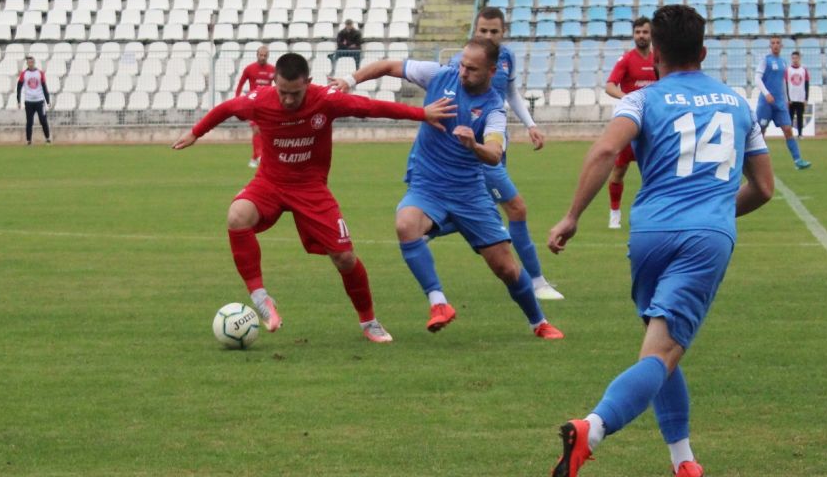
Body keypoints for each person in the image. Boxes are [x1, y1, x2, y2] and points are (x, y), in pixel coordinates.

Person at [546, 5, 775, 477]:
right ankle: (594, 428)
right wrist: (715, 212)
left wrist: (571, 217)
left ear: (657, 54)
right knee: (665, 350)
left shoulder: (642, 99)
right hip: (705, 237)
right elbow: (763, 188)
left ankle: (683, 458)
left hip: (648, 235)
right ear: (704, 51)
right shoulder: (739, 103)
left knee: (660, 347)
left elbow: (606, 151)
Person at [171, 53, 456, 344]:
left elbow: (371, 107)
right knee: (236, 216)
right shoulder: (260, 101)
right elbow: (227, 107)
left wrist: (422, 114)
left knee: (344, 258)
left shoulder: (326, 100)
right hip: (269, 183)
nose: (288, 100)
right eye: (282, 92)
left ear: (307, 83)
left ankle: (369, 322)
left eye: (295, 93)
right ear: (274, 83)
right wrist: (196, 133)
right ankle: (261, 298)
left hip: (311, 189)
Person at [335, 38, 564, 339]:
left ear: (492, 71)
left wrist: (474, 145)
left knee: (506, 269)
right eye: (462, 65)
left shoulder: (494, 109)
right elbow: (388, 65)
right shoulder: (440, 74)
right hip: (427, 186)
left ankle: (539, 322)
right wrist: (350, 80)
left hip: (469, 194)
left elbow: (495, 154)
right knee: (405, 224)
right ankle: (439, 303)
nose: (463, 72)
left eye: (472, 68)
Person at [431, 7, 563, 300]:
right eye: (483, 31)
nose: (488, 36)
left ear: (503, 33)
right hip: (475, 151)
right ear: (474, 31)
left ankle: (426, 226)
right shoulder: (461, 63)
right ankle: (538, 282)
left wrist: (530, 125)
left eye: (494, 31)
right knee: (516, 208)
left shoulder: (506, 58)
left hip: (496, 143)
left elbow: (510, 94)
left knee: (483, 205)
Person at [603, 17, 659, 229]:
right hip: (630, 124)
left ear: (651, 35)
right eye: (638, 32)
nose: (641, 36)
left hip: (653, 125)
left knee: (656, 171)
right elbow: (609, 86)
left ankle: (651, 213)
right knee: (619, 171)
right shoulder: (626, 60)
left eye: (645, 32)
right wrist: (626, 96)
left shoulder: (658, 60)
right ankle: (614, 213)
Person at [754, 37, 810, 170]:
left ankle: (798, 160)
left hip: (779, 103)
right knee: (760, 132)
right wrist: (766, 93)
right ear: (770, 45)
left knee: (788, 129)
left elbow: (783, 83)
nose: (775, 45)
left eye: (777, 43)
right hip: (766, 102)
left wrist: (786, 99)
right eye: (773, 43)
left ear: (781, 45)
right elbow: (757, 78)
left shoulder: (783, 63)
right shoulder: (765, 60)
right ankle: (756, 163)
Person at [235, 45, 277, 168]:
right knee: (256, 129)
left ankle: (254, 158)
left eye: (265, 55)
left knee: (264, 131)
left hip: (267, 103)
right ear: (257, 55)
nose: (262, 57)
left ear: (268, 56)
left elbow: (278, 85)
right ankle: (259, 156)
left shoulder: (272, 70)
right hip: (253, 103)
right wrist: (237, 98)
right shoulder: (249, 69)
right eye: (260, 55)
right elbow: (241, 84)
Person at [16, 55, 51, 145]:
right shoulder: (24, 74)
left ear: (34, 63)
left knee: (43, 120)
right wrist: (18, 100)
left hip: (39, 101)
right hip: (28, 101)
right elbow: (19, 87)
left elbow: (44, 87)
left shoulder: (40, 73)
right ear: (27, 63)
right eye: (29, 62)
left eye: (32, 62)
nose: (30, 64)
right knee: (29, 121)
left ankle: (47, 138)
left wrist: (48, 100)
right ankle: (29, 140)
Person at [785, 50, 810, 136]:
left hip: (800, 98)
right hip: (791, 98)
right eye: (793, 58)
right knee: (790, 117)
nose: (795, 60)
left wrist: (806, 98)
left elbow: (806, 84)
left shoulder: (803, 70)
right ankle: (790, 135)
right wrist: (787, 98)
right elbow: (786, 84)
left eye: (796, 58)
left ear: (799, 59)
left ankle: (800, 134)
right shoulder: (788, 70)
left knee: (800, 116)